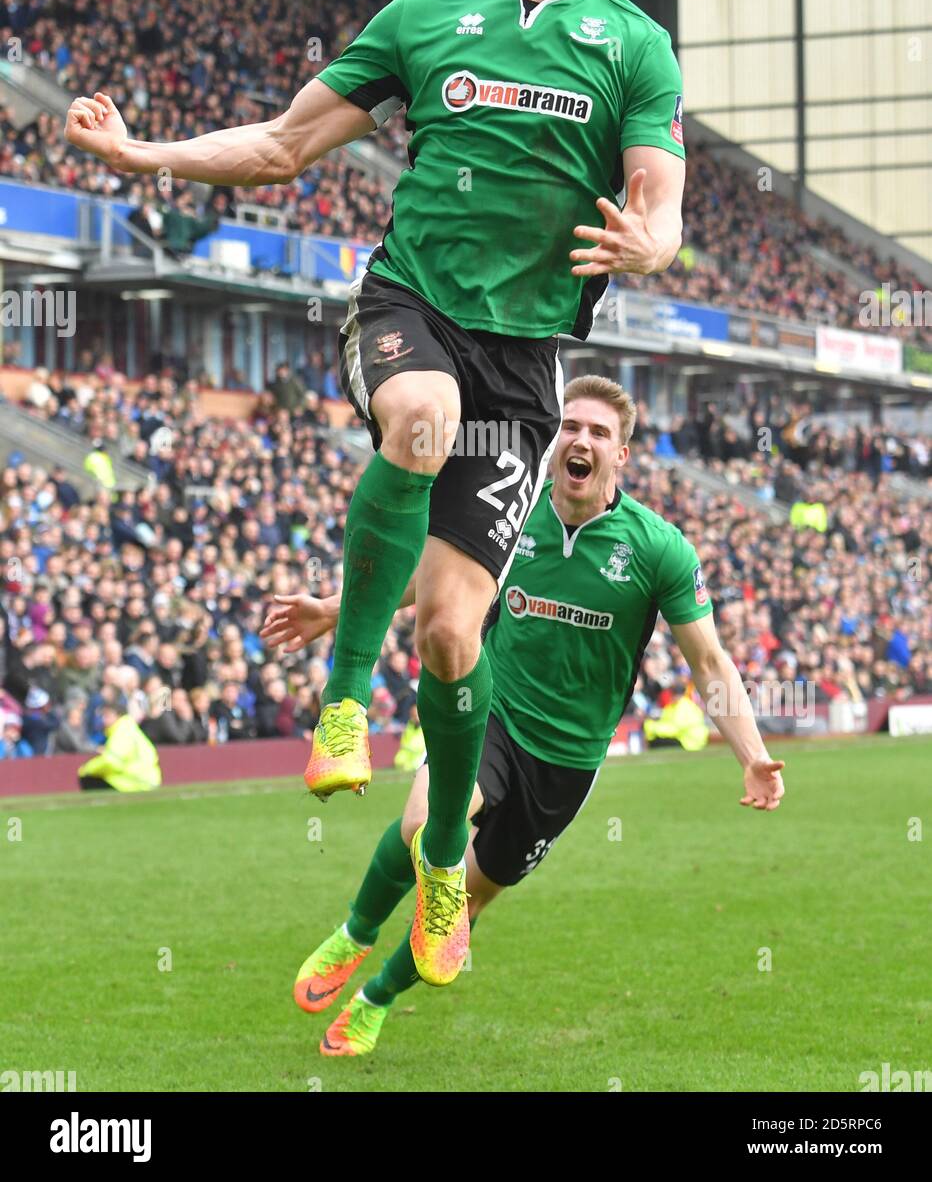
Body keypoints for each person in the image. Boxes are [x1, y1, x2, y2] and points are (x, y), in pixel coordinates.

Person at [64, 0, 686, 986]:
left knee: (455, 638)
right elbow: (285, 145)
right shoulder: (426, 16)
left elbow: (654, 191)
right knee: (416, 417)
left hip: (527, 358)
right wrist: (145, 154)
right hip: (411, 308)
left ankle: (442, 858)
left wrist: (651, 243)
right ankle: (343, 700)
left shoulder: (632, 45)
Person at [260, 377, 786, 1055]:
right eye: (570, 426)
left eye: (599, 433)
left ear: (621, 456)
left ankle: (376, 1000)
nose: (581, 440)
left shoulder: (658, 550)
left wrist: (751, 754)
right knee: (424, 826)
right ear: (551, 439)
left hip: (565, 764)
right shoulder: (514, 516)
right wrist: (335, 609)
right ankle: (355, 933)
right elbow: (431, 579)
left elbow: (710, 664)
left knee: (464, 905)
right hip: (492, 715)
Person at [77, 700, 162, 792]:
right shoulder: (130, 728)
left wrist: (86, 768)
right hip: (146, 780)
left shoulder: (122, 733)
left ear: (118, 716)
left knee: (87, 778)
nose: (103, 720)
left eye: (107, 716)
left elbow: (112, 762)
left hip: (136, 781)